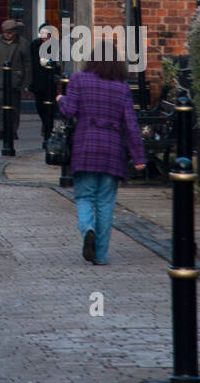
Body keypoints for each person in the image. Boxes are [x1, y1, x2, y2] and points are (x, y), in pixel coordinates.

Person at [56, 54, 146, 265]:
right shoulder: (122, 87)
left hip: (85, 147)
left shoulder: (79, 79)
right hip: (112, 151)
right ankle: (101, 256)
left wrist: (61, 99)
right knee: (105, 203)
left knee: (84, 197)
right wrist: (139, 156)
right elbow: (131, 125)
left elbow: (70, 111)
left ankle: (87, 228)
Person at [0, 19, 30, 139]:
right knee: (0, 103)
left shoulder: (23, 43)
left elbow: (27, 64)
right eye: (5, 32)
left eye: (10, 32)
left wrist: (26, 82)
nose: (7, 35)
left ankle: (12, 129)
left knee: (14, 105)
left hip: (15, 79)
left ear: (15, 32)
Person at [30, 22, 58, 141]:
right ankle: (45, 124)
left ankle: (48, 128)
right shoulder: (34, 45)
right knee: (39, 106)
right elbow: (30, 62)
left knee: (50, 106)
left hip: (50, 81)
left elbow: (57, 63)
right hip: (37, 80)